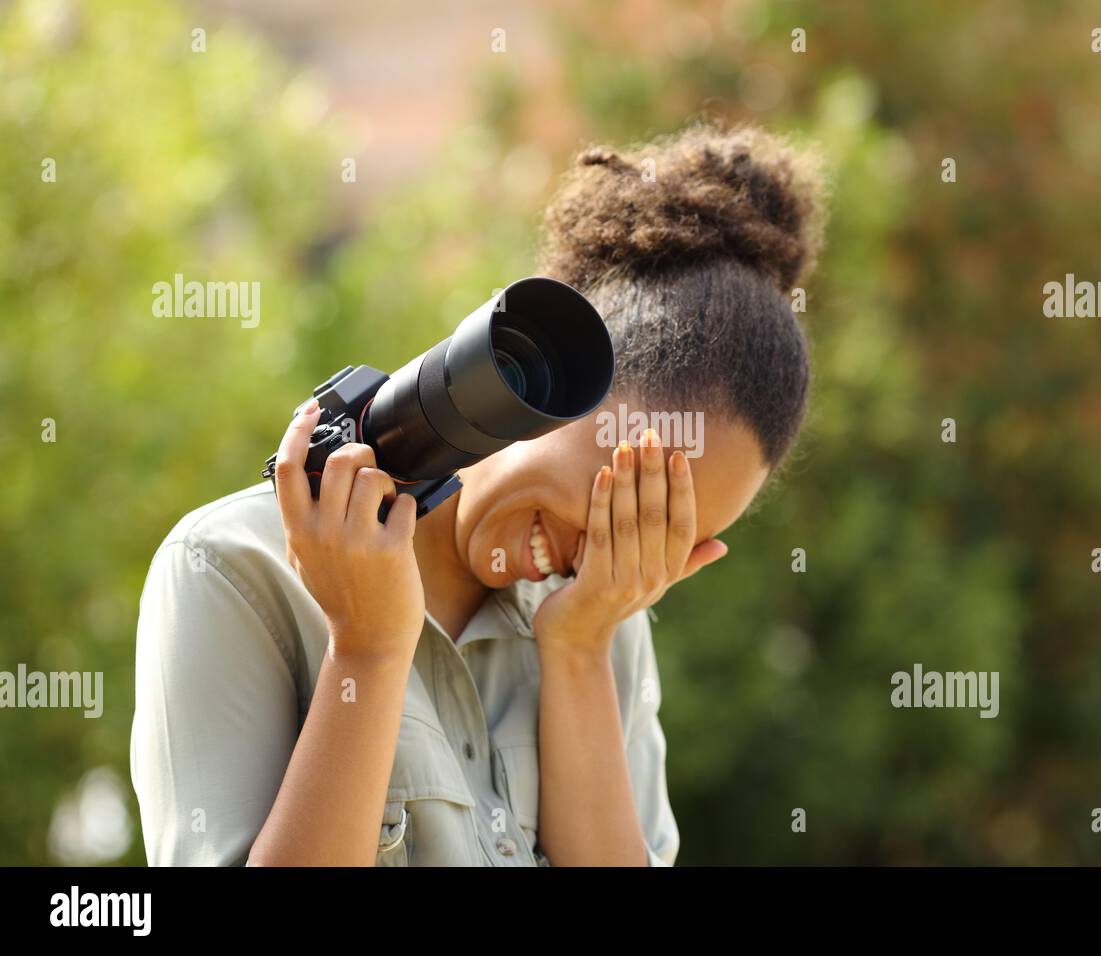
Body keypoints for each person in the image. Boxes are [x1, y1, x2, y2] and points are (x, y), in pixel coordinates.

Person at [129, 120, 827, 866]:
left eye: (662, 535)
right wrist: (366, 652)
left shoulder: (605, 613)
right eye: (626, 501)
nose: (610, 555)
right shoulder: (234, 571)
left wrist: (582, 646)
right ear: (555, 382)